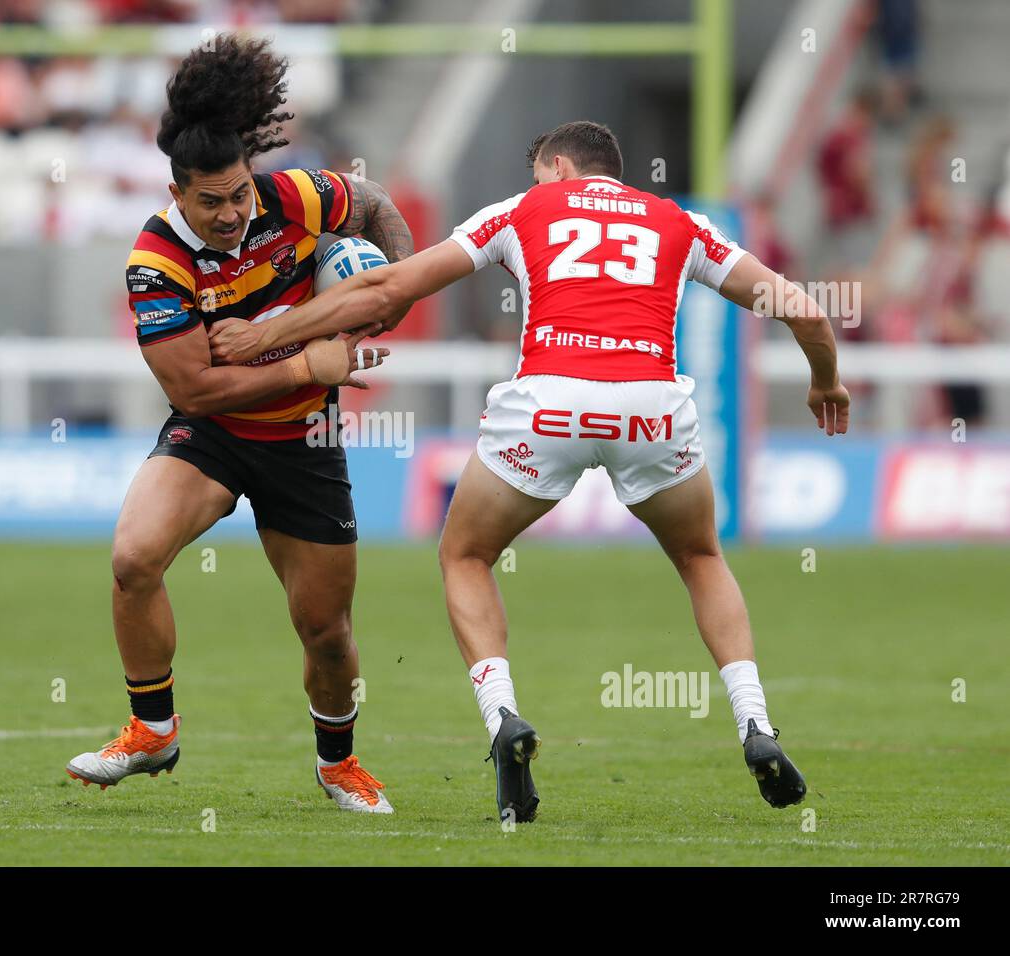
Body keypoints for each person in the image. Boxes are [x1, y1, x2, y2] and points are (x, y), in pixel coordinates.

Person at [211, 120, 850, 821]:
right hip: (650, 407)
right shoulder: (682, 224)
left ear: (561, 165)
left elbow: (390, 288)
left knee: (466, 553)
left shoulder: (520, 211)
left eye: (540, 175)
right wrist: (825, 382)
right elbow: (806, 314)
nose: (535, 187)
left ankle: (504, 720)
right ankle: (756, 726)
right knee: (700, 556)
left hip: (548, 404)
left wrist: (267, 333)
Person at [65, 35, 414, 814]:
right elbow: (194, 389)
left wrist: (391, 299)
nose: (230, 215)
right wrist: (300, 364)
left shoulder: (294, 196)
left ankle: (338, 764)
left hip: (304, 443)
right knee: (133, 558)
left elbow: (378, 205)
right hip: (217, 434)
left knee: (326, 631)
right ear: (176, 193)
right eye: (210, 202)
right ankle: (153, 729)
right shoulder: (156, 260)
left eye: (239, 196)